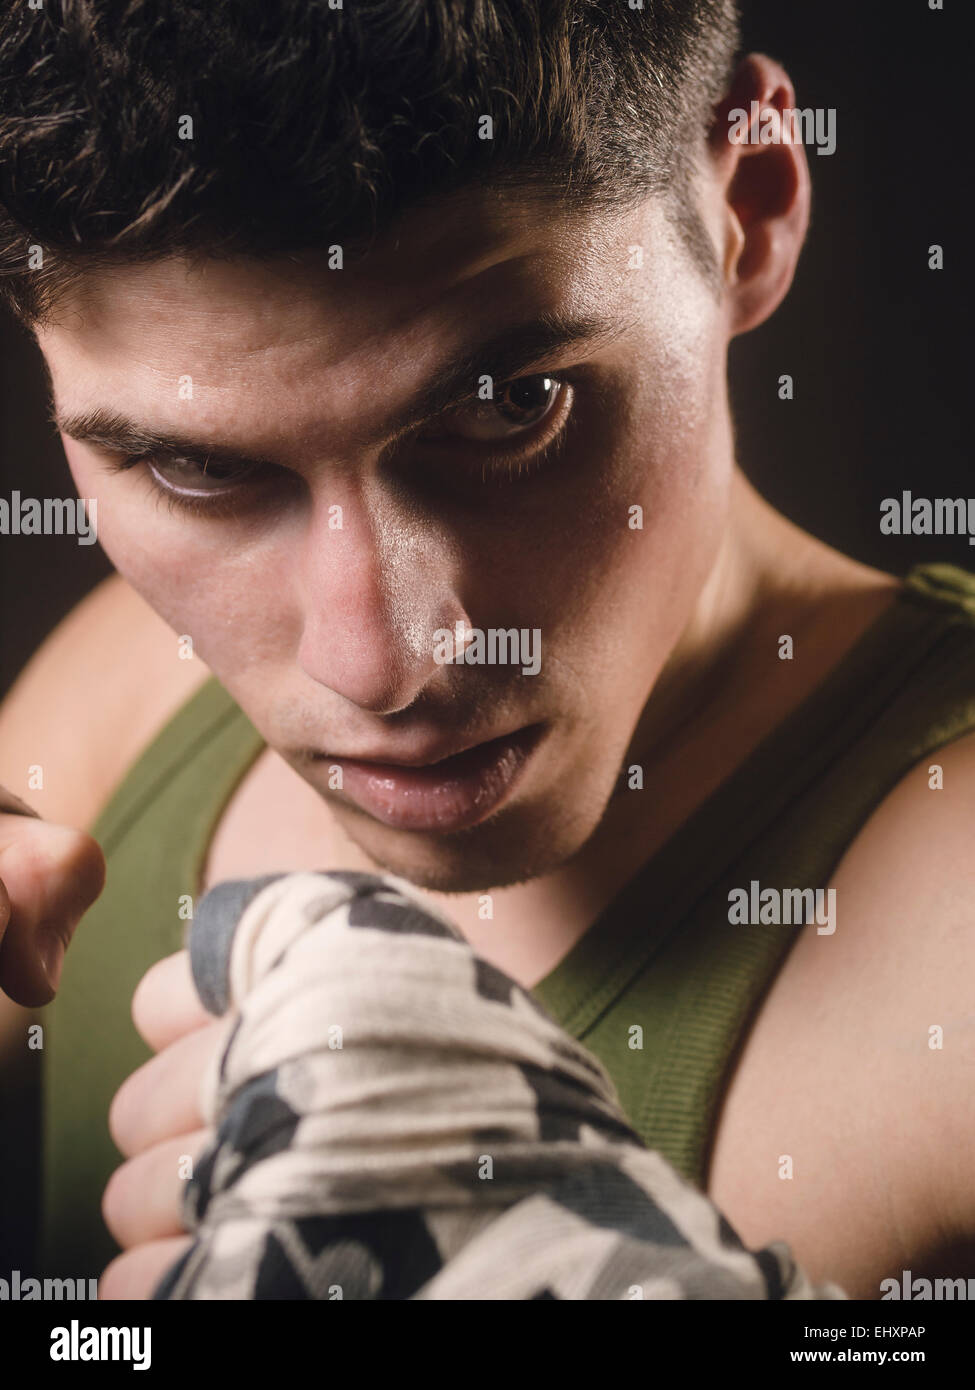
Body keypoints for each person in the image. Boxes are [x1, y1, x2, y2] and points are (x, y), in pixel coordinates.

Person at [0, 1, 972, 1301]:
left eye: (512, 404)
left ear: (750, 202)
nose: (376, 664)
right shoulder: (118, 692)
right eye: (196, 468)